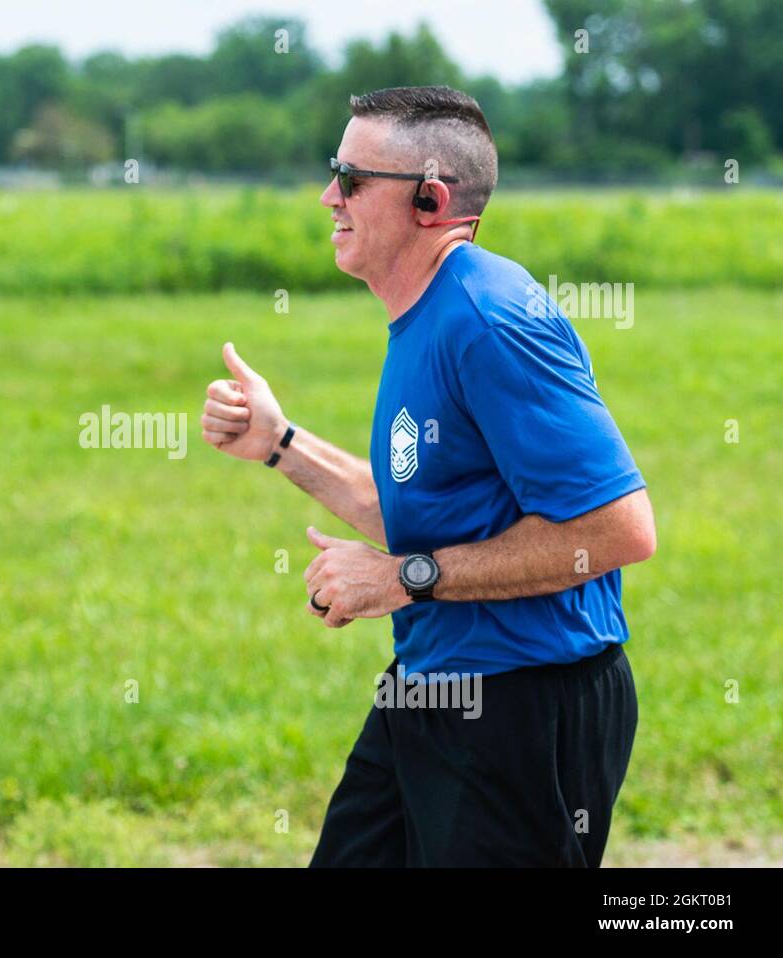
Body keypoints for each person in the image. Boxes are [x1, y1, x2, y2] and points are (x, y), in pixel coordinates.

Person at [200, 86, 656, 866]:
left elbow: (619, 530)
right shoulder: (424, 314)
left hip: (524, 707)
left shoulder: (489, 320)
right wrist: (282, 445)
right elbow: (439, 512)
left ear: (430, 200)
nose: (327, 195)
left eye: (349, 177)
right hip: (431, 690)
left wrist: (404, 579)